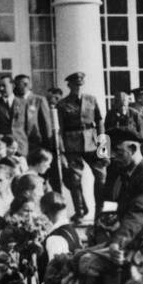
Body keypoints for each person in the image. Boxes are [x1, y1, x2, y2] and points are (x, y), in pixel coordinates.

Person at [57, 71, 104, 224]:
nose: (78, 88)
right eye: (75, 85)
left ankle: (100, 212)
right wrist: (62, 151)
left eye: (80, 85)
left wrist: (104, 147)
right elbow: (60, 129)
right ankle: (80, 211)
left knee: (101, 177)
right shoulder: (62, 104)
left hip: (92, 141)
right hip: (72, 144)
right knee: (74, 179)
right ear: (69, 86)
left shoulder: (91, 99)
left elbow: (100, 121)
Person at [13, 73, 56, 166]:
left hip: (36, 142)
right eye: (20, 84)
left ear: (30, 85)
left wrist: (48, 144)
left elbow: (46, 124)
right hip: (19, 143)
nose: (24, 86)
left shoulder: (39, 100)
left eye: (26, 83)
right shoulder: (14, 101)